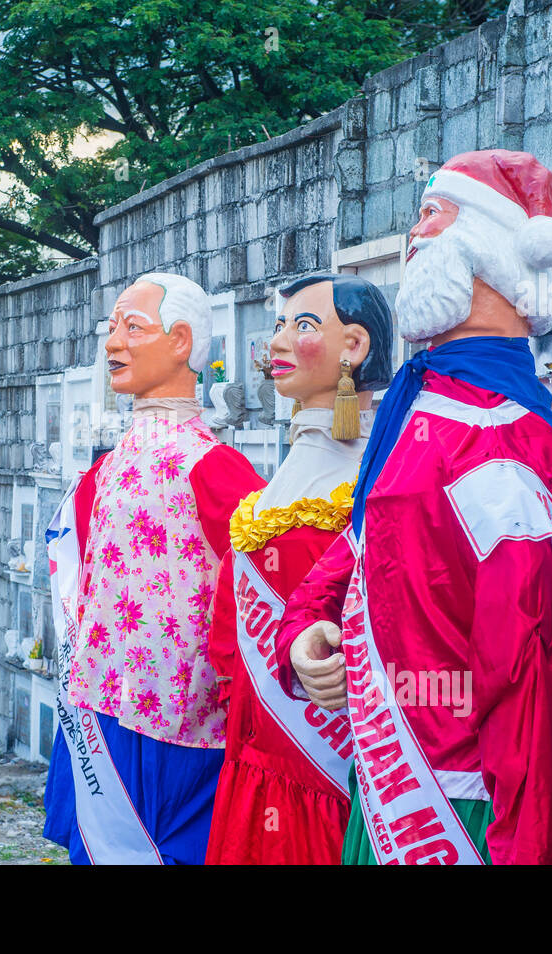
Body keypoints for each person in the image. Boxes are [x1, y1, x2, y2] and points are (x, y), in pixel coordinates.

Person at [276, 150, 552, 865]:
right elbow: (366, 542)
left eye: (433, 214)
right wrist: (305, 627)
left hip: (484, 810)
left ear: (487, 247)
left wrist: (522, 846)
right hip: (410, 777)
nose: (415, 236)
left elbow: (518, 668)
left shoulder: (496, 437)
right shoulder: (424, 407)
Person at [42, 272, 265, 864]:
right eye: (112, 328)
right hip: (101, 713)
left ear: (182, 342)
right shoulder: (104, 471)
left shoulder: (217, 470)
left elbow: (259, 593)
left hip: (181, 727)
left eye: (133, 327)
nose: (113, 342)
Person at [205, 274, 393, 865]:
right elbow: (226, 643)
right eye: (280, 325)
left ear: (354, 347)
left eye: (303, 326)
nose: (278, 343)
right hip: (258, 751)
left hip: (342, 761)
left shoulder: (382, 485)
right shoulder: (279, 488)